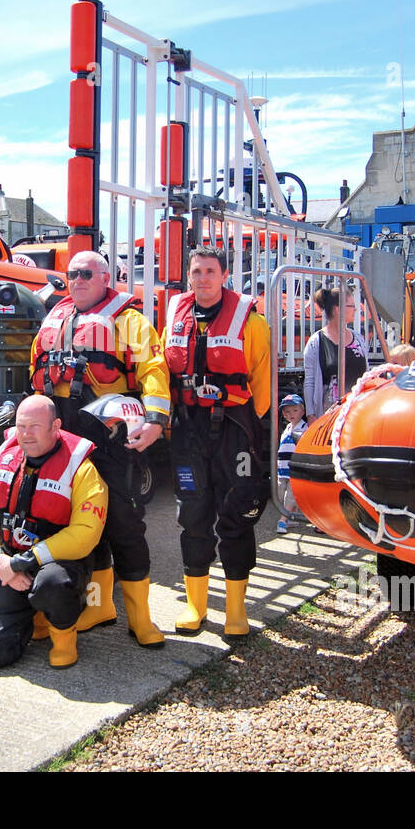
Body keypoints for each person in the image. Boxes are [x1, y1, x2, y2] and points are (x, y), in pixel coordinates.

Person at [29, 249, 169, 648]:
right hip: (62, 434)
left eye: (87, 273)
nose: (78, 280)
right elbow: (34, 368)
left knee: (123, 524)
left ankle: (140, 619)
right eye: (72, 274)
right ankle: (97, 606)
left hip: (107, 434)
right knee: (67, 521)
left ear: (105, 277)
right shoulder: (54, 319)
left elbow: (154, 370)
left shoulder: (130, 320)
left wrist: (156, 420)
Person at [164, 247, 271, 639]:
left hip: (234, 426)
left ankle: (236, 611)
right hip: (189, 428)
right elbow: (164, 365)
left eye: (211, 270)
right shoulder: (175, 314)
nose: (203, 278)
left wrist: (245, 420)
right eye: (197, 271)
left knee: (235, 513)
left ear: (224, 275)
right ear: (189, 276)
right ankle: (196, 606)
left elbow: (262, 377)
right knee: (192, 515)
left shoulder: (251, 320)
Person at [0, 395, 108, 669]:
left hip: (57, 565)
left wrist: (24, 562)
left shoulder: (81, 467)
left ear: (56, 426)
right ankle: (29, 620)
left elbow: (86, 532)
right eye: (20, 426)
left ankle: (64, 641)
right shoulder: (3, 455)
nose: (25, 435)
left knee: (51, 585)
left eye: (34, 427)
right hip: (7, 563)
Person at [303, 286, 368, 418]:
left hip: (358, 413)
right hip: (330, 416)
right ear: (338, 309)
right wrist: (310, 415)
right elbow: (310, 382)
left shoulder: (359, 339)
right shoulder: (317, 342)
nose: (356, 310)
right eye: (351, 306)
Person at [275, 393, 307, 534]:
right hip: (282, 469)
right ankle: (291, 517)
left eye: (295, 410)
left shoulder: (304, 428)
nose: (291, 414)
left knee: (291, 496)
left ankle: (282, 520)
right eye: (287, 411)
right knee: (280, 494)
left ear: (302, 411)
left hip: (294, 470)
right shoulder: (287, 429)